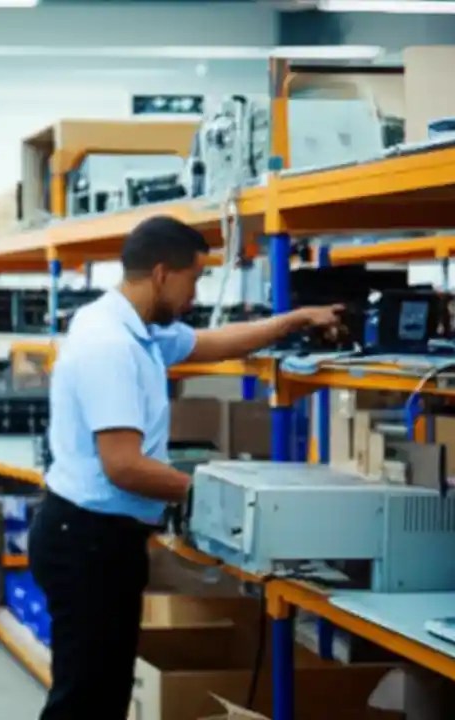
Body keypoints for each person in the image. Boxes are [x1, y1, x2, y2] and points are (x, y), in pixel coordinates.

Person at [29, 215, 341, 720]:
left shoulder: (134, 328)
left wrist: (292, 322)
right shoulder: (110, 345)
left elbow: (212, 343)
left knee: (98, 694)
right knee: (85, 702)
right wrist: (222, 493)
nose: (197, 293)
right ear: (160, 274)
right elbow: (125, 467)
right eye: (194, 279)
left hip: (93, 536)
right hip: (88, 543)